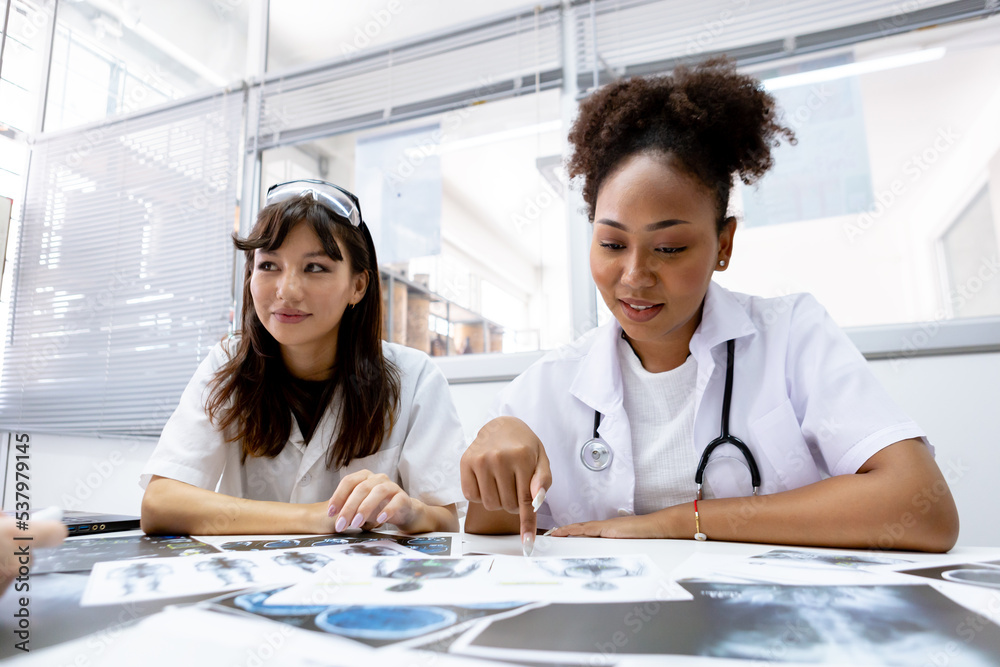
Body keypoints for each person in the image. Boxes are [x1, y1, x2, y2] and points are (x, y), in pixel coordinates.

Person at [460, 59, 960, 554]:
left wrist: (677, 522)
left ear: (724, 244)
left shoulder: (790, 336)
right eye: (611, 244)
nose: (634, 276)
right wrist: (498, 443)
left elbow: (923, 507)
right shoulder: (547, 387)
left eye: (669, 248)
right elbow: (489, 533)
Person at [141, 180, 465, 535]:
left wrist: (410, 512)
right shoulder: (229, 363)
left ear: (358, 286)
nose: (287, 291)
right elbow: (160, 504)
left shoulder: (414, 378)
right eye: (269, 266)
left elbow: (446, 518)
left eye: (315, 268)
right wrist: (316, 517)